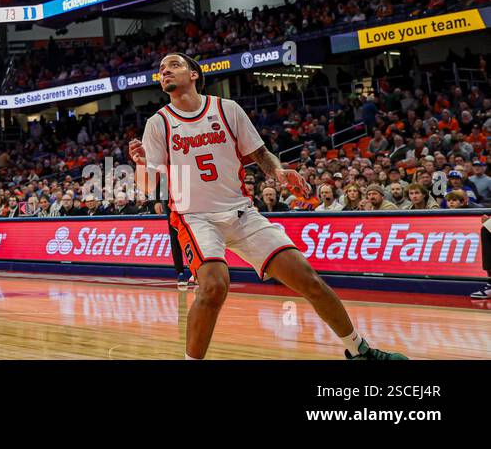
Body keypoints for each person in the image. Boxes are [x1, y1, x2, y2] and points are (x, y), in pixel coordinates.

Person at [129, 52, 405, 360]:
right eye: (161, 69)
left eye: (174, 65)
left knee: (307, 278)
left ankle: (360, 351)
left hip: (241, 211)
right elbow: (149, 187)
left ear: (194, 74)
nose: (165, 71)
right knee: (214, 287)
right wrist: (141, 165)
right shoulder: (158, 123)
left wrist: (277, 171)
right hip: (195, 216)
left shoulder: (226, 109)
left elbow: (260, 154)